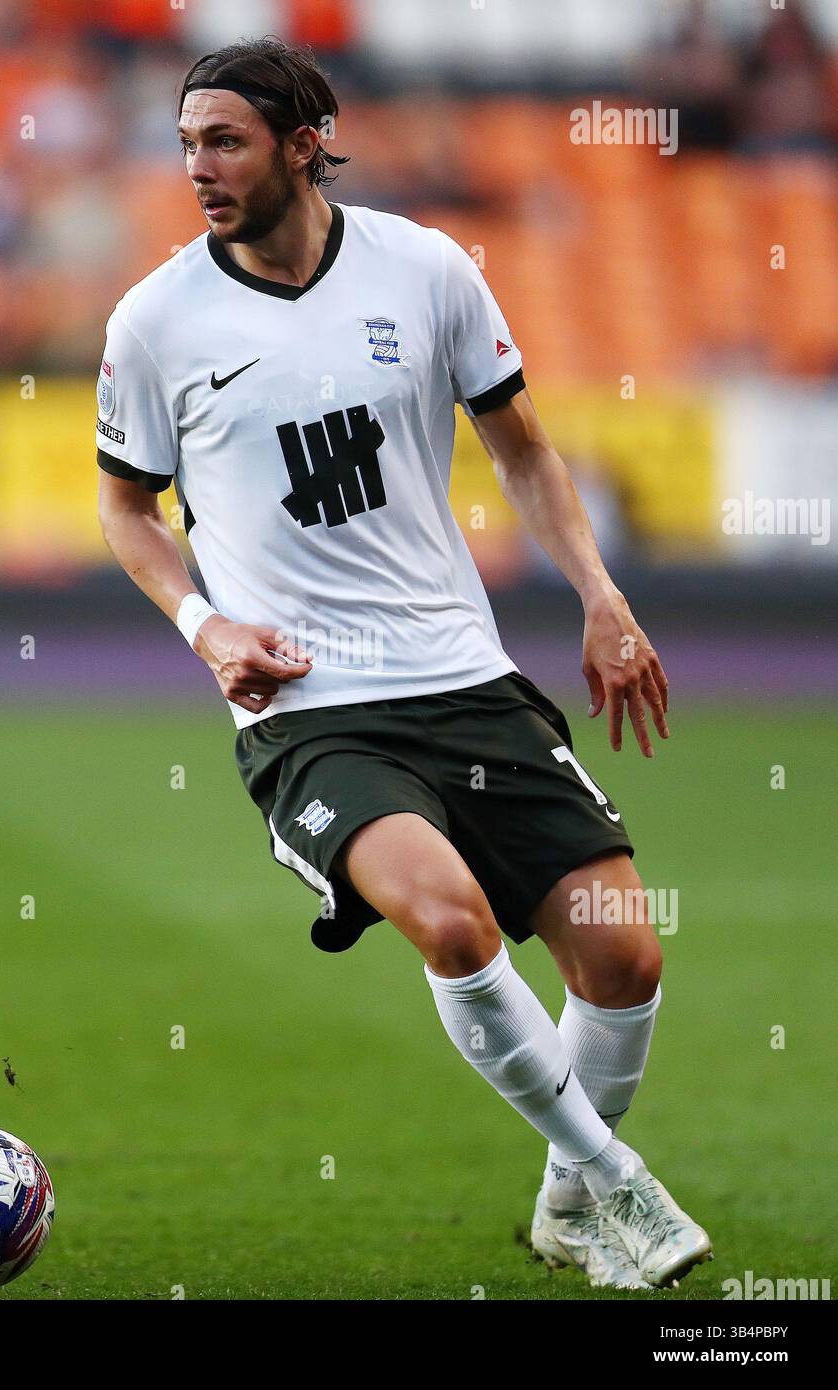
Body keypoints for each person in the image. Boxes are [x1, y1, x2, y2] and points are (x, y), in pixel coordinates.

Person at [96, 37, 712, 1290]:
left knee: (624, 957)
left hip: (462, 676)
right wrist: (206, 626)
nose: (198, 169)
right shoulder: (155, 319)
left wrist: (599, 595)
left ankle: (567, 1200)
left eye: (225, 140)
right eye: (186, 144)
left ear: (306, 140)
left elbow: (525, 453)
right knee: (447, 919)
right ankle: (622, 1187)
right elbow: (125, 509)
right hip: (312, 709)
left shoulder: (426, 270)